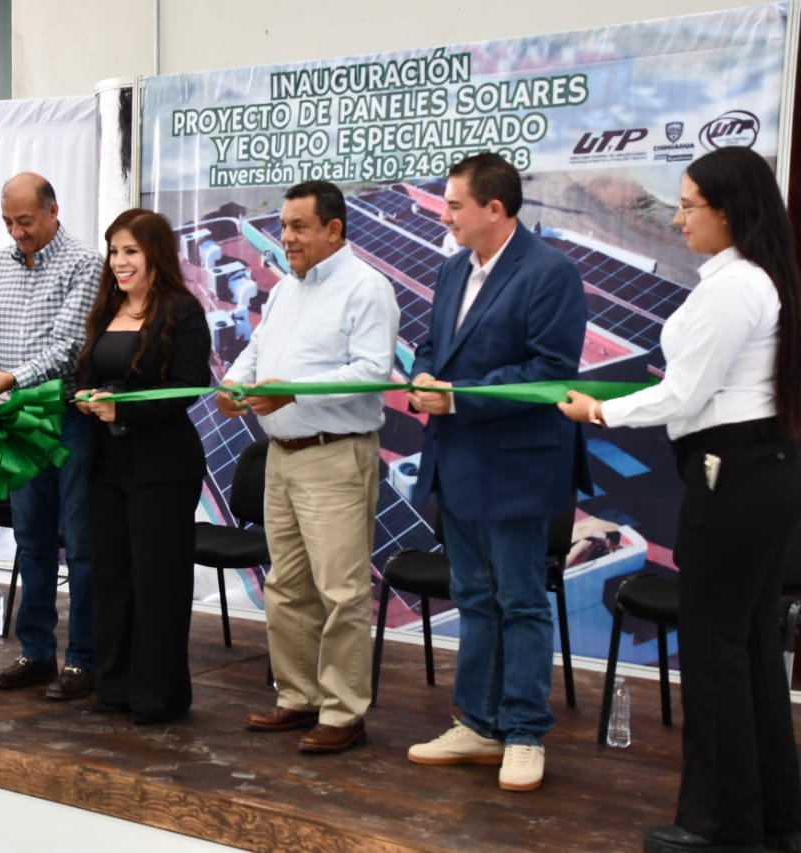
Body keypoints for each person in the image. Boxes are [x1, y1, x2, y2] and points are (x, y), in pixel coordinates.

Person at [560, 146, 801, 853]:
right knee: (749, 648)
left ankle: (718, 826)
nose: (678, 216)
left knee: (716, 651)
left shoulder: (732, 288)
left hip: (732, 479)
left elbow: (683, 395)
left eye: (691, 205)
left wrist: (598, 413)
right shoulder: (759, 278)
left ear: (729, 212)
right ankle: (769, 819)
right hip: (757, 471)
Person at [405, 152, 590, 791]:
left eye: (455, 204)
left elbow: (548, 371)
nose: (445, 214)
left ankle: (524, 731)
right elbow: (432, 343)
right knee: (475, 597)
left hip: (514, 465)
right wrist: (426, 375)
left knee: (520, 600)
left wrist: (456, 394)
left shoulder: (550, 272)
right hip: (457, 459)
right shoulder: (453, 269)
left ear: (494, 208)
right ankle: (480, 723)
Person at [217, 179, 399, 754]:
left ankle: (344, 713)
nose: (285, 238)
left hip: (336, 455)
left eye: (297, 227)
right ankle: (297, 698)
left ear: (333, 229)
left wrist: (293, 391)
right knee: (286, 586)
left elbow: (373, 371)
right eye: (283, 226)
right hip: (283, 455)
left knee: (341, 592)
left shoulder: (368, 289)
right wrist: (235, 381)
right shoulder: (285, 290)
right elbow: (259, 347)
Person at [0, 172, 100, 700]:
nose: (17, 232)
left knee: (81, 546)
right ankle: (36, 652)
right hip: (16, 422)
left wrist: (11, 376)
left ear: (53, 211)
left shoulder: (85, 264)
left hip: (67, 421)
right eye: (10, 222)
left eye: (26, 221)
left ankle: (83, 660)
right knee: (31, 543)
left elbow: (68, 348)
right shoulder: (0, 267)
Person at [76, 208, 212, 723]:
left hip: (162, 465)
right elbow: (82, 374)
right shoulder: (105, 308)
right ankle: (113, 692)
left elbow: (189, 385)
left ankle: (159, 697)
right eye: (113, 251)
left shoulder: (181, 311)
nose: (119, 262)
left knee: (158, 582)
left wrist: (123, 406)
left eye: (130, 251)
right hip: (107, 464)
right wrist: (84, 397)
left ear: (155, 254)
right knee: (112, 579)